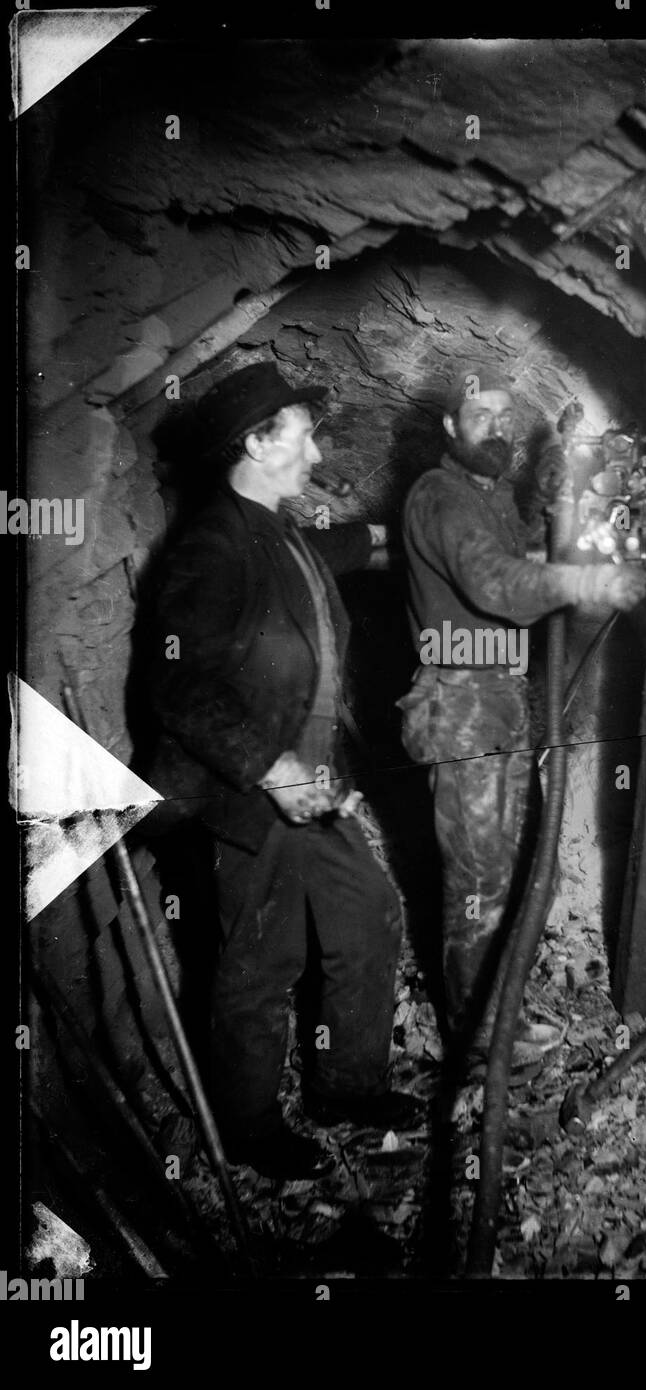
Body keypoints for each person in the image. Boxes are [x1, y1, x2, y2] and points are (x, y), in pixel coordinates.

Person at [147, 362, 422, 1180]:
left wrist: (397, 542)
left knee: (368, 910)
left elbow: (328, 554)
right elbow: (177, 682)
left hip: (309, 785)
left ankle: (347, 1086)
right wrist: (270, 768)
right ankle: (250, 1131)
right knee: (258, 964)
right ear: (259, 443)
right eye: (301, 435)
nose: (317, 450)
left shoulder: (276, 530)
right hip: (250, 793)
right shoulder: (212, 545)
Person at [398, 364, 646, 1068]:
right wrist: (588, 579)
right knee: (477, 873)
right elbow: (499, 582)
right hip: (460, 700)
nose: (498, 427)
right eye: (482, 415)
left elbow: (526, 539)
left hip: (498, 697)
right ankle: (476, 1036)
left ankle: (493, 1011)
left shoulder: (486, 499)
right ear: (449, 426)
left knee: (503, 865)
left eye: (507, 417)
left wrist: (558, 463)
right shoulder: (440, 495)